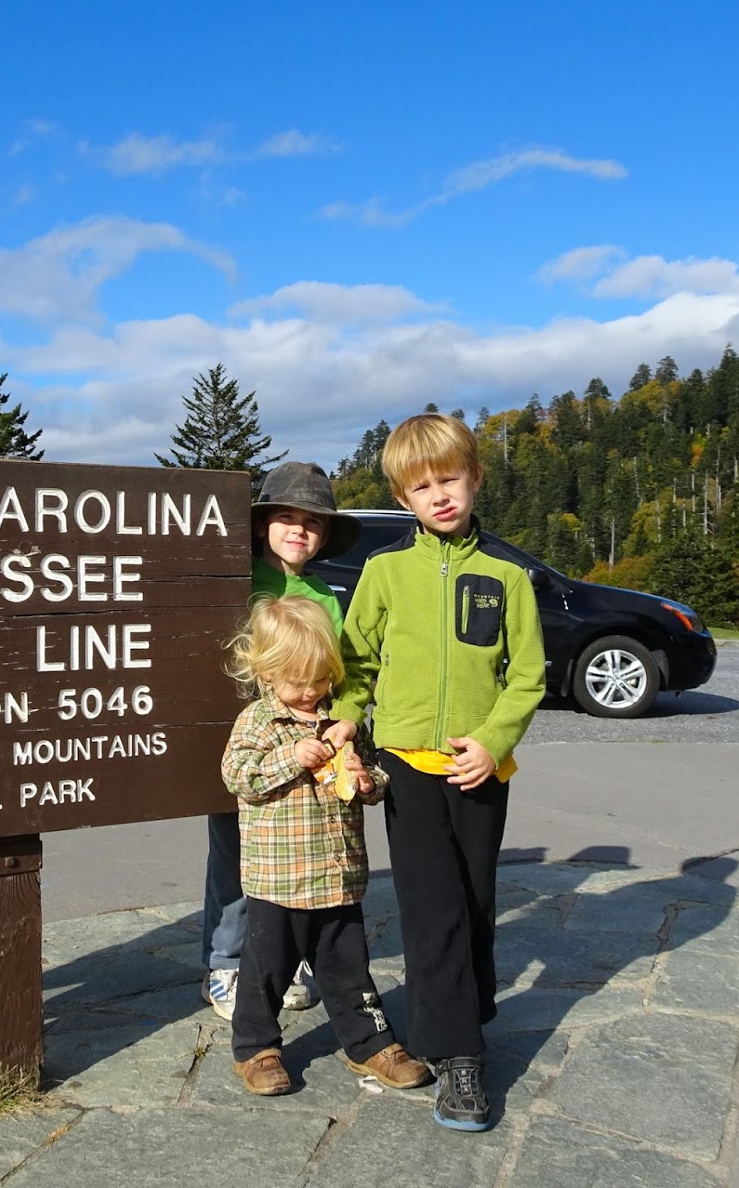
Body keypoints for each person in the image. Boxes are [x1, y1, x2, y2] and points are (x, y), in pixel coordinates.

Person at [324, 412, 545, 1131]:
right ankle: (461, 1061)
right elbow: (354, 663)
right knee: (431, 909)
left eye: (450, 479)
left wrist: (492, 741)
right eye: (421, 488)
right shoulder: (384, 574)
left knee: (475, 902)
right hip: (408, 767)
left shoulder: (507, 577)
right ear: (402, 500)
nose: (439, 496)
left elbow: (529, 677)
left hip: (482, 771)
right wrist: (350, 720)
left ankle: (457, 1018)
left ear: (475, 477)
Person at [220, 595, 432, 1096]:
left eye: (321, 680)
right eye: (298, 682)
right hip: (280, 877)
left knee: (348, 967)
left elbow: (379, 774)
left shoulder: (341, 721)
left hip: (337, 874)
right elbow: (238, 776)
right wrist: (291, 756)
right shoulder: (259, 722)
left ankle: (370, 1043)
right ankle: (256, 1048)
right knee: (266, 968)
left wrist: (366, 781)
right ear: (268, 674)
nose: (311, 692)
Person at [201, 462, 363, 1021]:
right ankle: (225, 963)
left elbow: (338, 672)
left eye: (312, 523)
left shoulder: (325, 595)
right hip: (246, 740)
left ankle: (286, 962)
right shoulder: (235, 575)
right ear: (263, 523)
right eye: (286, 518)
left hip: (305, 746)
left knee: (295, 858)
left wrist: (343, 724)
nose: (299, 530)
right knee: (233, 856)